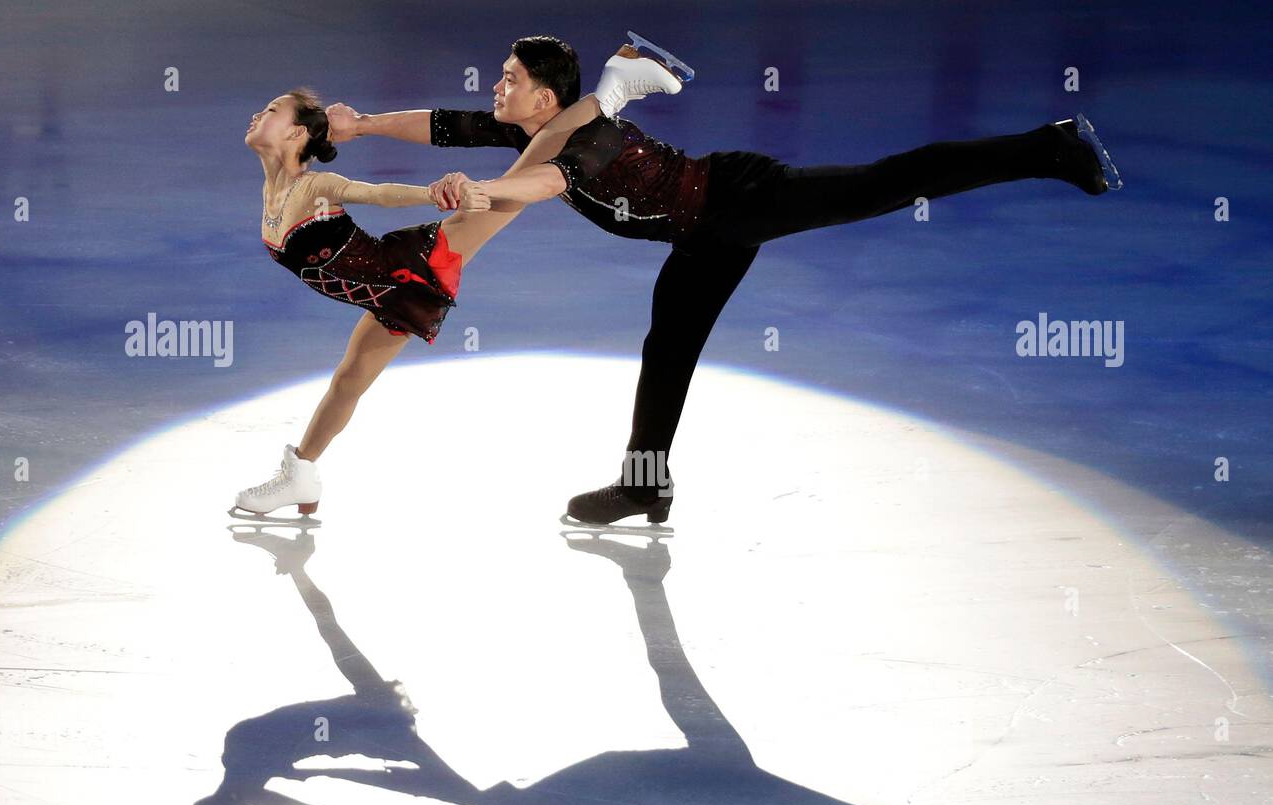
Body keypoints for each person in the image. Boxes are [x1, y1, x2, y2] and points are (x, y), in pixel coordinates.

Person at [335, 34, 1122, 525]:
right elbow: (444, 123)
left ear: (547, 95)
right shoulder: (535, 125)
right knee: (667, 347)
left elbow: (540, 186)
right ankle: (645, 485)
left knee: (884, 182)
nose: (494, 89)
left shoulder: (577, 144)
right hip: (699, 233)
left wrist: (480, 193)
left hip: (740, 199)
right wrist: (364, 124)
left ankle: (1046, 148)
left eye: (508, 79)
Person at [233, 37, 687, 517]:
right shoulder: (273, 189)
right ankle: (302, 473)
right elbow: (444, 125)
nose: (257, 114)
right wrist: (363, 125)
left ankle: (612, 91)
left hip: (416, 263)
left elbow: (380, 193)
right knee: (348, 381)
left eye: (270, 109)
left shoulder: (313, 186)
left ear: (295, 134)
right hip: (388, 297)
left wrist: (434, 192)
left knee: (522, 178)